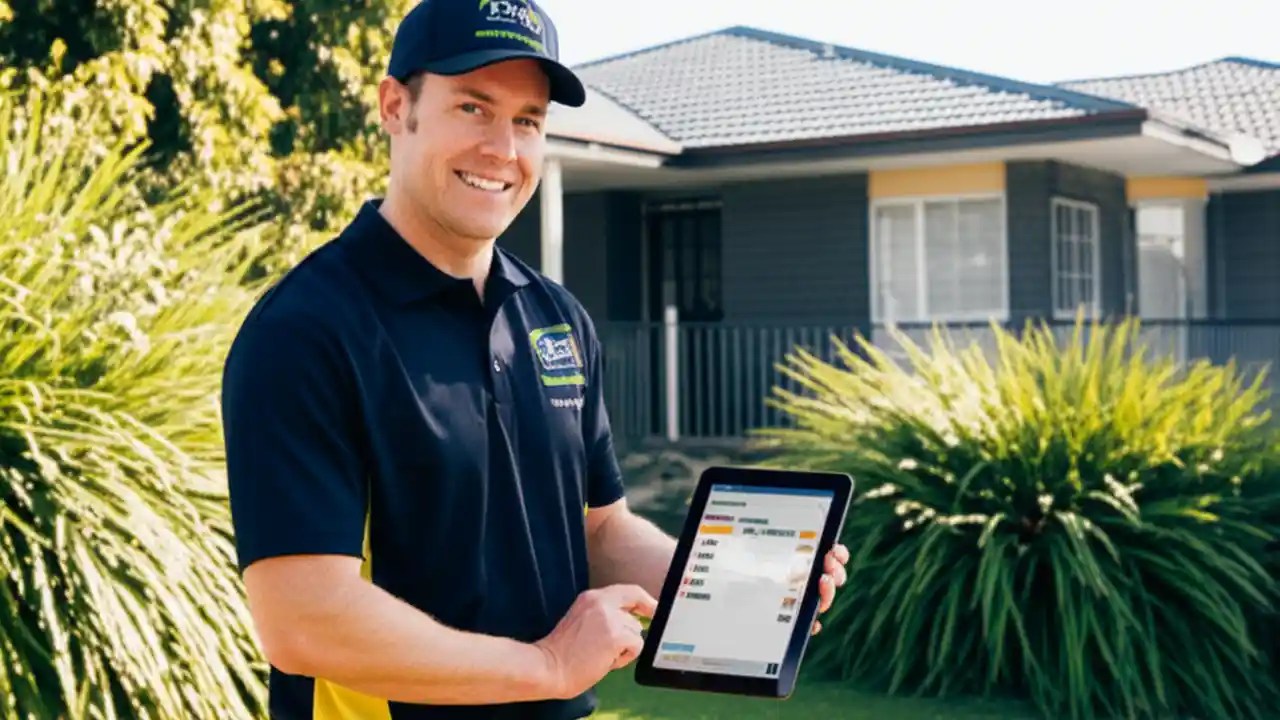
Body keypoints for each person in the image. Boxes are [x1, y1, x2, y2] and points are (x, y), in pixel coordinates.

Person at [219, 0, 850, 718]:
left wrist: (735, 585)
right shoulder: (306, 330)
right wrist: (548, 664)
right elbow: (303, 619)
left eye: (528, 120)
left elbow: (599, 530)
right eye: (473, 107)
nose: (503, 149)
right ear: (397, 107)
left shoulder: (557, 320)